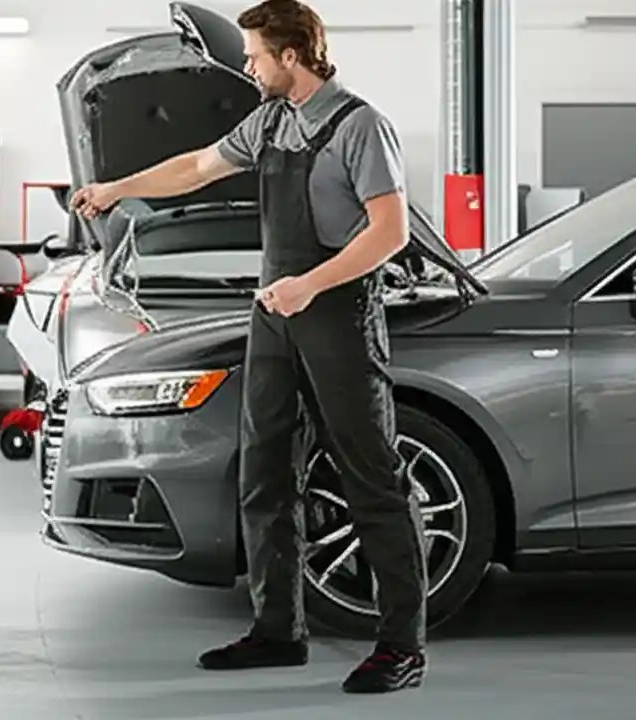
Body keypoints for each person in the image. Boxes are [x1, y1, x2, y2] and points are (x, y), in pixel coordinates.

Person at [70, 0, 428, 695]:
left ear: (292, 57)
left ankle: (400, 645)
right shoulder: (272, 120)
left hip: (339, 317)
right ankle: (277, 630)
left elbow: (390, 234)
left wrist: (308, 286)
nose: (247, 64)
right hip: (278, 316)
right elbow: (197, 166)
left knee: (372, 478)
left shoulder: (361, 127)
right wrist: (116, 189)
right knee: (264, 475)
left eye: (256, 55)